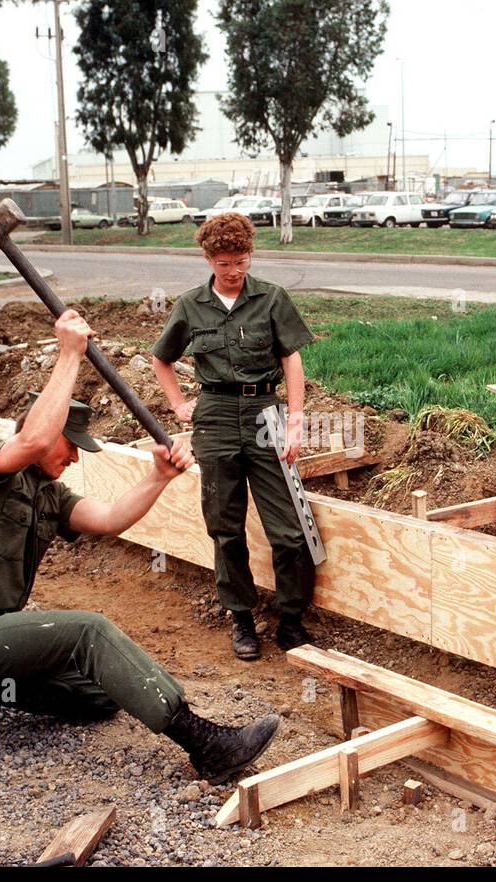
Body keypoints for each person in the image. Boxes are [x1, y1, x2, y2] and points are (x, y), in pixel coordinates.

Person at [0, 308, 280, 784]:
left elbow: (111, 520)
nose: (74, 456)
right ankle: (205, 743)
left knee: (100, 697)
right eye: (69, 445)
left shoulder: (49, 496)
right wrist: (68, 353)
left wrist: (159, 477)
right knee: (88, 631)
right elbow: (33, 440)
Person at [150, 212, 317, 661]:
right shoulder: (190, 305)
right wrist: (178, 404)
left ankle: (291, 618)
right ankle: (241, 618)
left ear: (250, 255)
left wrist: (296, 420)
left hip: (266, 411)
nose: (233, 270)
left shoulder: (271, 298)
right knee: (225, 527)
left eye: (240, 260)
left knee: (289, 528)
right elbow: (161, 359)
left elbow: (291, 359)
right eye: (224, 262)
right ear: (208, 259)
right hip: (216, 415)